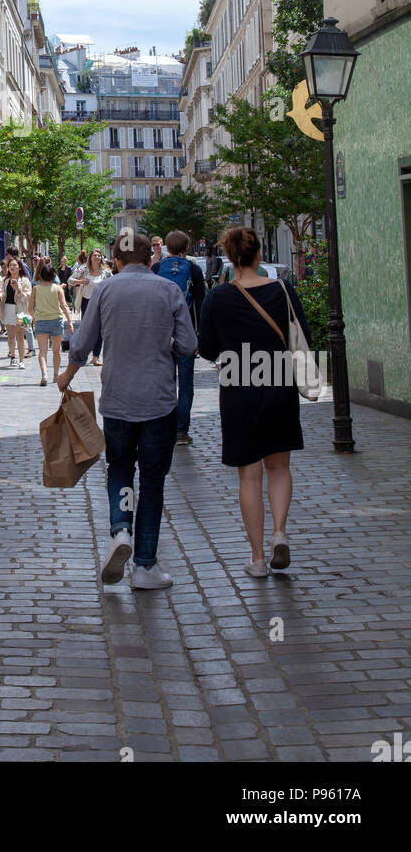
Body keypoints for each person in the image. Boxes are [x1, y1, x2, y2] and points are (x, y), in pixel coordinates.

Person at [57, 232, 197, 589]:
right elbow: (188, 345)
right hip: (159, 401)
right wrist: (162, 341)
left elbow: (84, 343)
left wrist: (67, 375)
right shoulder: (168, 290)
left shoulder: (104, 290)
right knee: (152, 480)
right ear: (150, 259)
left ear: (115, 262)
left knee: (120, 468)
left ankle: (121, 529)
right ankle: (146, 566)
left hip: (117, 401)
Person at [197, 226, 310, 577]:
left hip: (238, 384)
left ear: (230, 258)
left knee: (249, 476)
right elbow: (302, 332)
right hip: (277, 381)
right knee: (279, 467)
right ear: (258, 254)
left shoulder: (217, 297)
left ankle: (258, 558)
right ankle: (279, 532)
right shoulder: (282, 289)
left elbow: (208, 349)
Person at [152, 230, 206, 447]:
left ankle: (165, 428)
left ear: (167, 248)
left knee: (164, 384)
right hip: (186, 333)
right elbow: (202, 301)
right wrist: (201, 334)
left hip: (160, 334)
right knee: (185, 384)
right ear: (187, 248)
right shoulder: (193, 269)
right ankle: (181, 432)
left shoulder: (156, 268)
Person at [29, 262, 74, 386]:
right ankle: (55, 375)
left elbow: (30, 307)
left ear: (40, 275)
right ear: (53, 275)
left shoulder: (36, 289)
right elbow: (64, 306)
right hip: (56, 321)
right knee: (56, 351)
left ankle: (44, 374)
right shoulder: (58, 288)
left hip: (41, 321)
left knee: (42, 352)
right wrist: (70, 321)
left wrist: (35, 318)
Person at [70, 249, 111, 365]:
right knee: (87, 329)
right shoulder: (84, 269)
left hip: (101, 302)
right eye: (95, 255)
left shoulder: (106, 272)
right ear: (90, 257)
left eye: (99, 255)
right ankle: (82, 354)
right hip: (87, 302)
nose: (97, 257)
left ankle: (96, 357)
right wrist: (81, 281)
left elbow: (112, 284)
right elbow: (70, 280)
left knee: (99, 330)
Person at [1, 256, 32, 368]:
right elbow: (3, 294)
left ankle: (22, 360)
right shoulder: (5, 280)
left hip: (23, 311)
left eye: (15, 265)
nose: (12, 267)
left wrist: (18, 289)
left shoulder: (25, 280)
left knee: (21, 336)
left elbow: (28, 297)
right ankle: (13, 356)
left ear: (19, 267)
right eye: (10, 265)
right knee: (10, 336)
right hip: (8, 308)